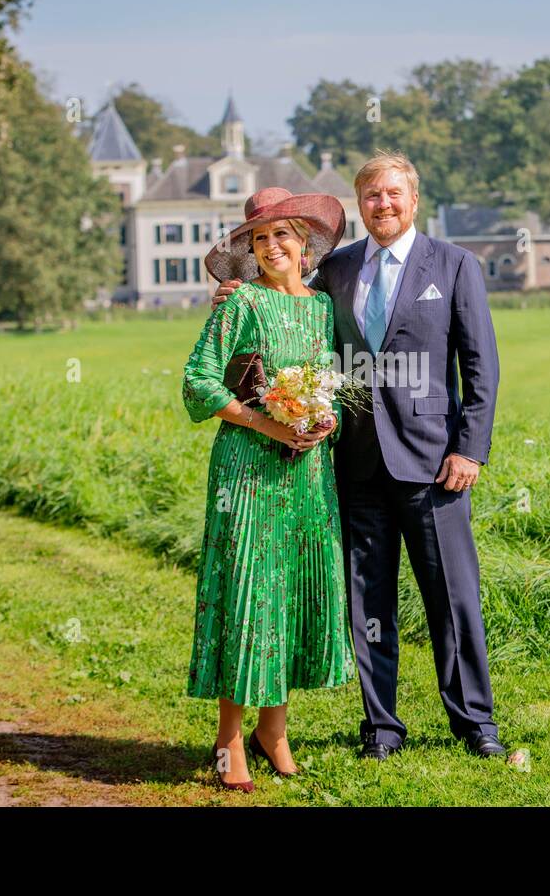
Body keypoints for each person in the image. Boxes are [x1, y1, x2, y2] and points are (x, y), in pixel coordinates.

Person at [211, 151, 507, 761]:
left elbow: (480, 366)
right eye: (372, 196)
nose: (384, 205)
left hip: (434, 464)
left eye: (394, 194)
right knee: (368, 601)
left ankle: (475, 722)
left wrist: (470, 450)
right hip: (357, 463)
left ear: (414, 199)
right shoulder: (339, 270)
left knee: (452, 597)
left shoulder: (454, 266)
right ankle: (382, 727)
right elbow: (283, 301)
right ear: (360, 204)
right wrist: (233, 291)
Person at [182, 187, 356, 792]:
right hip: (248, 470)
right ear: (250, 250)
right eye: (260, 238)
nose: (272, 246)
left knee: (286, 591)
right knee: (248, 589)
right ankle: (231, 736)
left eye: (283, 235)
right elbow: (198, 382)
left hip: (307, 472)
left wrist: (323, 417)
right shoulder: (240, 303)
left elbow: (328, 380)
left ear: (304, 245)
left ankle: (273, 731)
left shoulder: (321, 308)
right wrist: (264, 421)